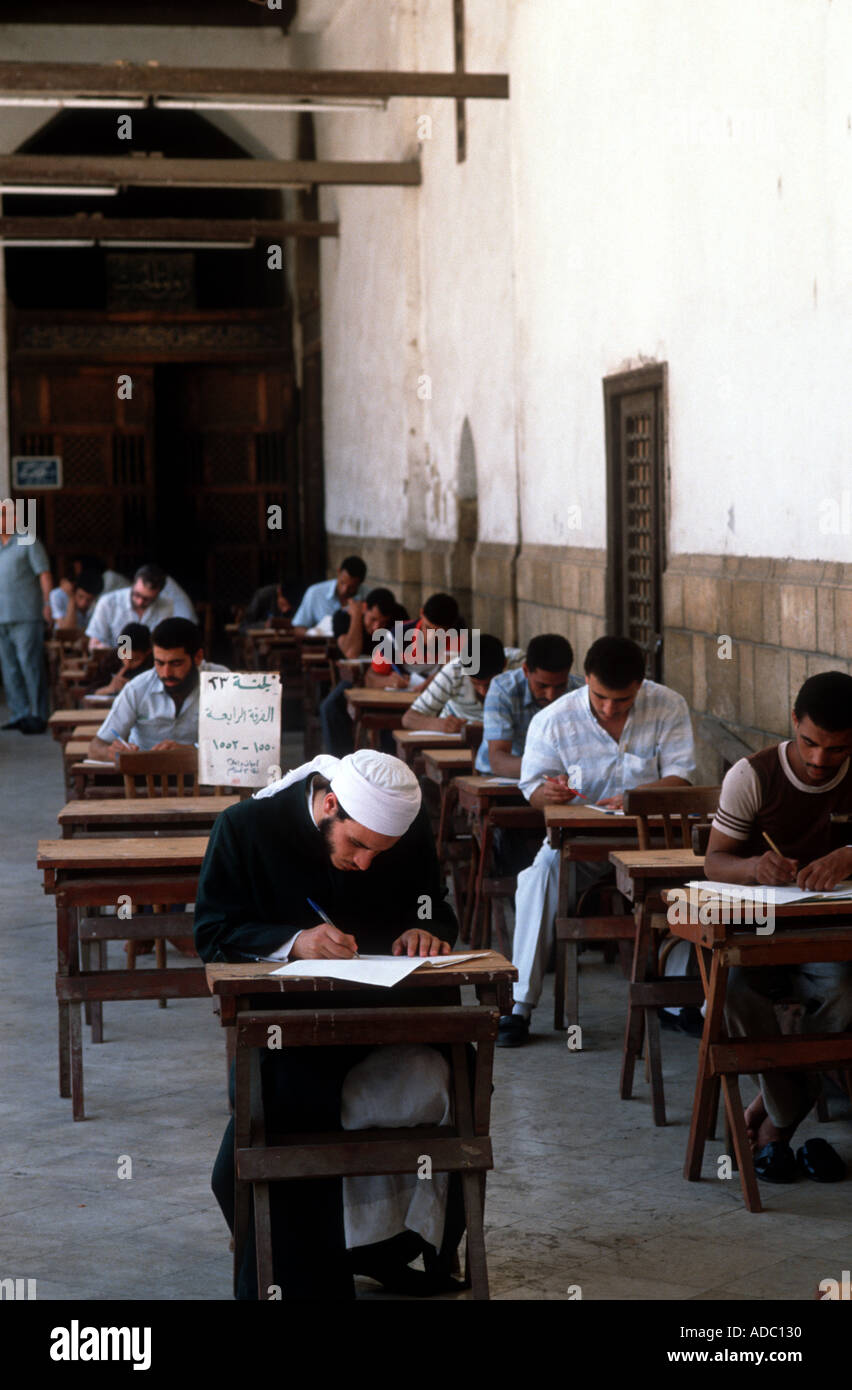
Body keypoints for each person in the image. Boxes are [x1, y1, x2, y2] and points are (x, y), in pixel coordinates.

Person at [194, 749, 463, 1299]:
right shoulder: (245, 828)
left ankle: (391, 1249)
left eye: (379, 853)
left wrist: (424, 929)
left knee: (460, 1062)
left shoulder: (398, 832)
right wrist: (294, 941)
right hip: (295, 1026)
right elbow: (214, 931)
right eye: (357, 845)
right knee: (254, 1150)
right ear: (328, 805)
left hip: (389, 1014)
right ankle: (306, 1286)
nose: (366, 863)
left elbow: (434, 905)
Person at [499, 635, 696, 1045]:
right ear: (585, 679)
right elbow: (532, 787)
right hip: (580, 846)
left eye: (622, 700)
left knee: (695, 889)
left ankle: (682, 1001)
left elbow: (681, 777)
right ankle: (519, 1006)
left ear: (641, 684)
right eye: (600, 696)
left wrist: (634, 798)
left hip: (652, 845)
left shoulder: (669, 705)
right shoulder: (553, 719)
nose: (609, 708)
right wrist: (545, 793)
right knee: (537, 878)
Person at [704, 670, 852, 1184]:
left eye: (836, 751)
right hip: (755, 932)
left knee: (843, 990)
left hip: (829, 936)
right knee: (733, 994)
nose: (818, 760)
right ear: (793, 721)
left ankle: (771, 1124)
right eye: (810, 743)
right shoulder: (753, 775)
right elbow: (714, 862)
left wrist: (849, 856)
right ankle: (782, 1116)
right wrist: (753, 868)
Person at [87, 616, 228, 757]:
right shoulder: (138, 688)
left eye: (176, 663)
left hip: (203, 775)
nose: (166, 673)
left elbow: (240, 743)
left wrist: (191, 751)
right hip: (145, 775)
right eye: (159, 663)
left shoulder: (223, 681)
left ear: (198, 657)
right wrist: (114, 753)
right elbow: (96, 747)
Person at [475, 633, 579, 776]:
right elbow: (498, 761)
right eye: (542, 686)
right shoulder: (502, 690)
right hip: (503, 779)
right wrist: (551, 768)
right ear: (525, 671)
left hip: (559, 779)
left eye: (560, 686)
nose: (551, 695)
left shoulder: (579, 693)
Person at [320, 588, 401, 757]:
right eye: (372, 619)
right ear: (365, 608)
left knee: (389, 717)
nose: (376, 627)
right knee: (330, 707)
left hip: (388, 679)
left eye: (383, 623)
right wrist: (356, 617)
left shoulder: (399, 616)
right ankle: (342, 762)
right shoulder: (342, 617)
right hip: (357, 680)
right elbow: (351, 652)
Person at [401, 634, 524, 738]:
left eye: (489, 684)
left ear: (505, 665)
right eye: (475, 684)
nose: (483, 692)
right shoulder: (455, 671)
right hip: (458, 741)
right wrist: (442, 725)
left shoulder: (520, 667)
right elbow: (409, 718)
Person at [0, 506, 52, 734]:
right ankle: (20, 714)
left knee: (30, 666)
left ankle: (39, 715)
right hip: (2, 617)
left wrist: (48, 605)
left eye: (5, 514)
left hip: (26, 615)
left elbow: (44, 574)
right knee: (9, 669)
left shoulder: (27, 540)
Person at [367, 592, 462, 691]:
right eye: (427, 628)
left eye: (439, 633)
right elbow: (370, 677)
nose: (430, 637)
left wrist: (435, 681)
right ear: (421, 613)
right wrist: (388, 681)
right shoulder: (397, 635)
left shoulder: (457, 638)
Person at [86, 564, 174, 651]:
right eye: (137, 594)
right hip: (115, 659)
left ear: (158, 595)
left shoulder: (166, 605)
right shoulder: (108, 602)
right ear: (133, 584)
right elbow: (94, 644)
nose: (140, 602)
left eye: (147, 599)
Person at [290, 557, 368, 633]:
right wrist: (313, 634)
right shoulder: (315, 593)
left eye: (351, 587)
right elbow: (298, 627)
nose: (344, 590)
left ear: (360, 583)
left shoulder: (367, 596)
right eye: (342, 582)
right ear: (338, 572)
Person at [94, 622, 154, 696]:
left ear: (148, 652)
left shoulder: (154, 664)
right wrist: (109, 689)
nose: (127, 664)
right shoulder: (111, 659)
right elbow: (92, 691)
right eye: (123, 656)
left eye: (135, 660)